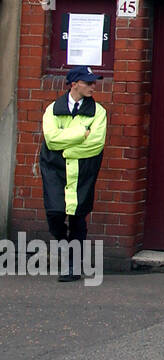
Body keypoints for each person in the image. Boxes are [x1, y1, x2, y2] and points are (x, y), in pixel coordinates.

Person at [39, 66, 108, 282]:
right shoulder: (53, 109)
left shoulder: (99, 112)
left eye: (94, 82)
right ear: (74, 84)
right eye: (88, 83)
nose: (93, 86)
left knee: (78, 217)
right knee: (54, 213)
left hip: (83, 170)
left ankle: (72, 265)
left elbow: (95, 143)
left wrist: (66, 149)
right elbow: (50, 139)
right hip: (55, 169)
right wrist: (80, 133)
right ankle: (64, 241)